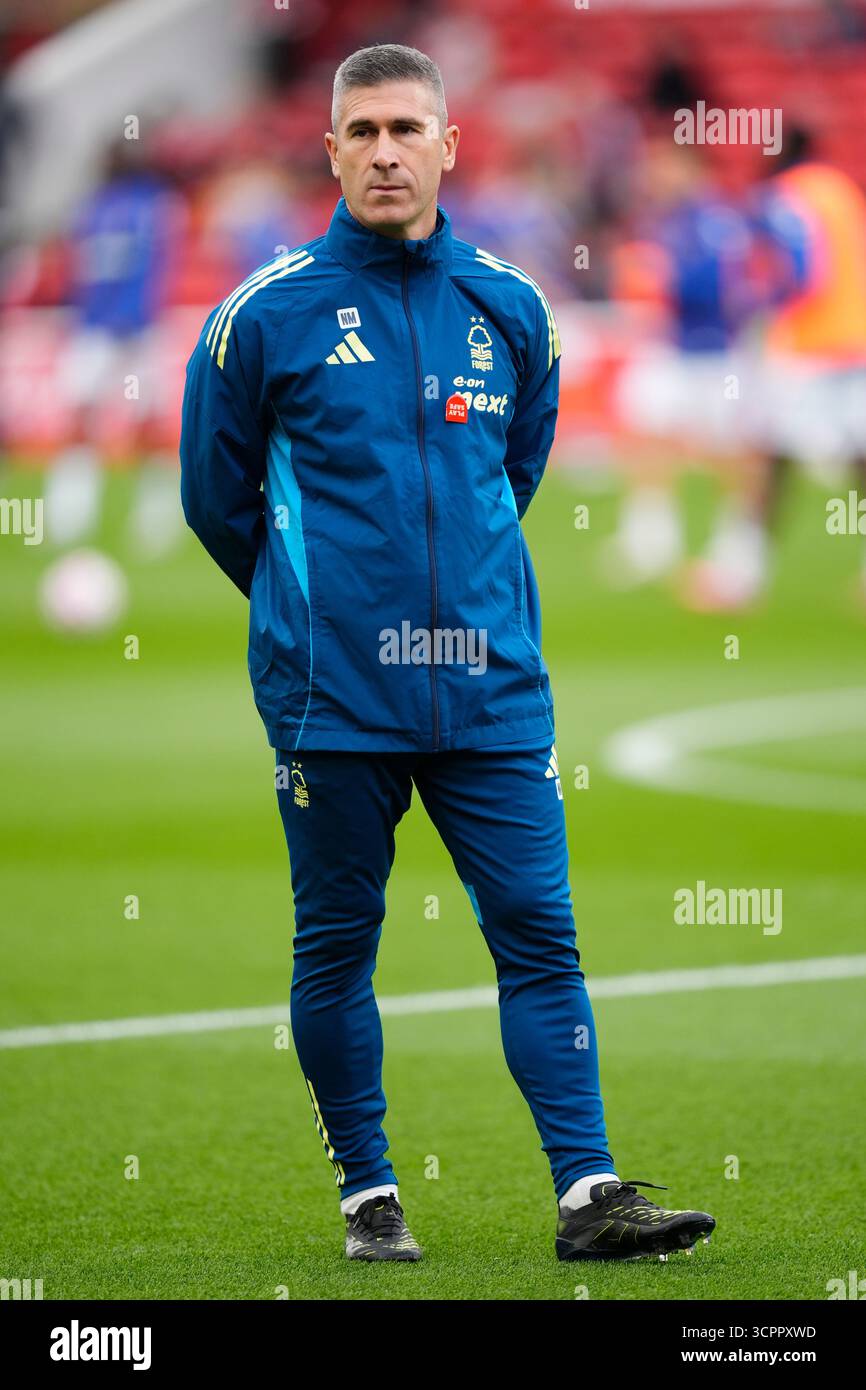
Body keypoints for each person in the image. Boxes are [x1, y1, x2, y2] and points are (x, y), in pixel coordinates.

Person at [180, 43, 715, 1264]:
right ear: (328, 149)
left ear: (446, 145)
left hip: (490, 690)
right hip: (333, 698)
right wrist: (308, 615)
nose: (383, 152)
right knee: (337, 943)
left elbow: (509, 474)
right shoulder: (262, 315)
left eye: (404, 129)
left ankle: (589, 1192)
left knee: (539, 931)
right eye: (360, 130)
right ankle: (369, 1191)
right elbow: (217, 503)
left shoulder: (508, 305)